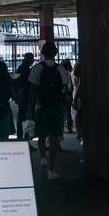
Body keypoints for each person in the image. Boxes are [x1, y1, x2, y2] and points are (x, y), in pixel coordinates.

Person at [27, 42, 70, 180]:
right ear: (56, 53)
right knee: (54, 138)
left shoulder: (37, 68)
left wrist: (30, 110)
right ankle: (52, 169)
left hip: (41, 107)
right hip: (57, 107)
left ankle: (42, 158)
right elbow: (64, 90)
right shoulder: (60, 69)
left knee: (41, 135)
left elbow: (32, 90)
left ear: (43, 53)